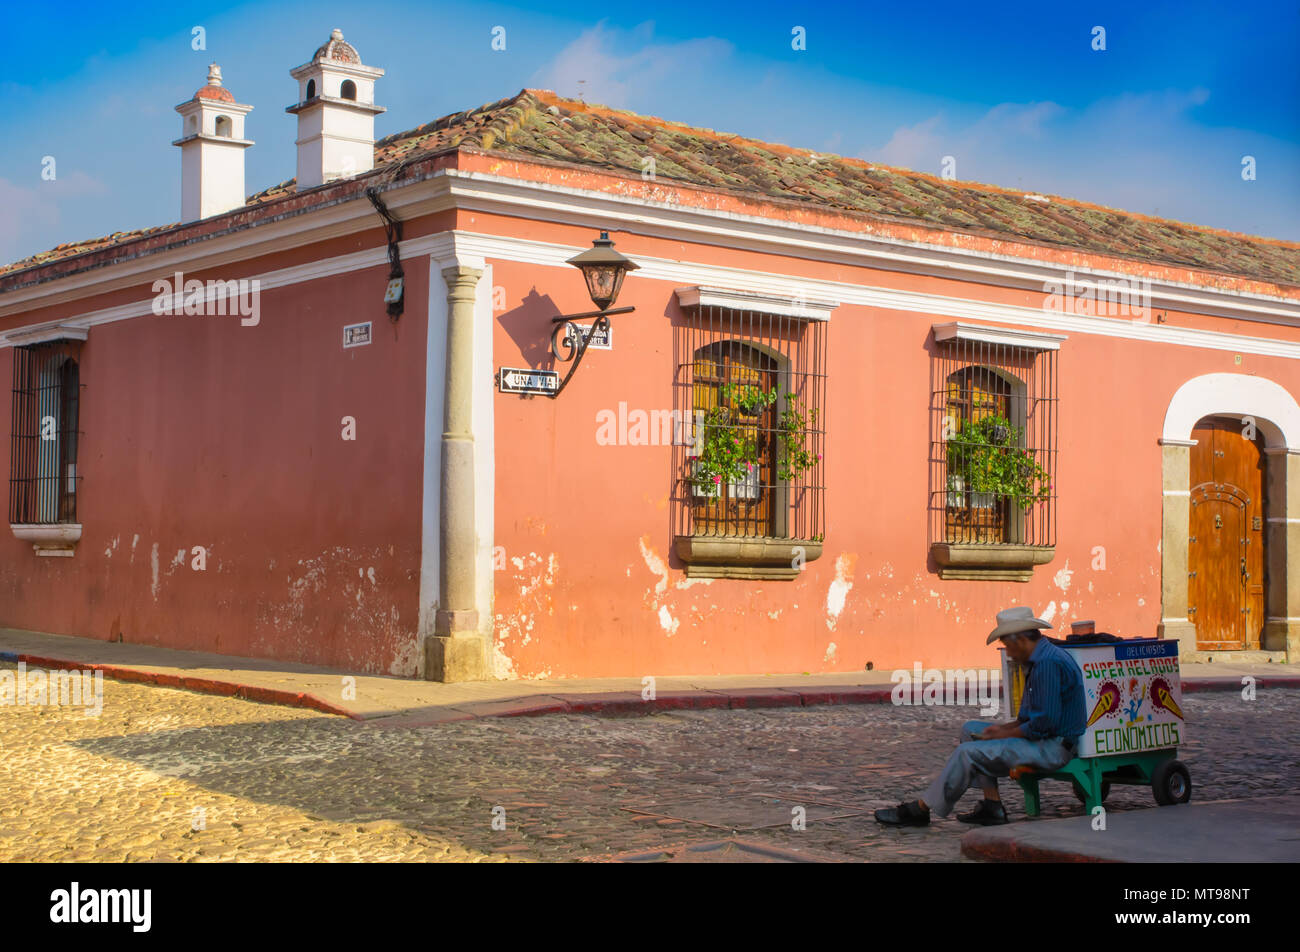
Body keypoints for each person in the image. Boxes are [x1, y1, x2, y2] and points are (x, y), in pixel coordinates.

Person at [873, 606, 1086, 827]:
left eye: (1008, 646)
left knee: (967, 753)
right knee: (971, 730)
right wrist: (1001, 731)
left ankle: (921, 809)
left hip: (1054, 747)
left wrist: (1004, 734)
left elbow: (1043, 725)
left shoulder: (1047, 664)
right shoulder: (1040, 659)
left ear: (1021, 639)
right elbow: (1028, 719)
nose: (1009, 653)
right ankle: (992, 805)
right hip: (1044, 739)